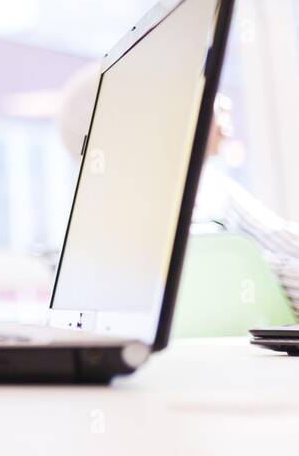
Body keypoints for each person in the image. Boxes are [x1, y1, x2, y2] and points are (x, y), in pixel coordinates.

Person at [55, 64, 299, 316]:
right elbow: (251, 271)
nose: (222, 103)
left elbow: (279, 236)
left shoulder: (211, 184)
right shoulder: (150, 218)